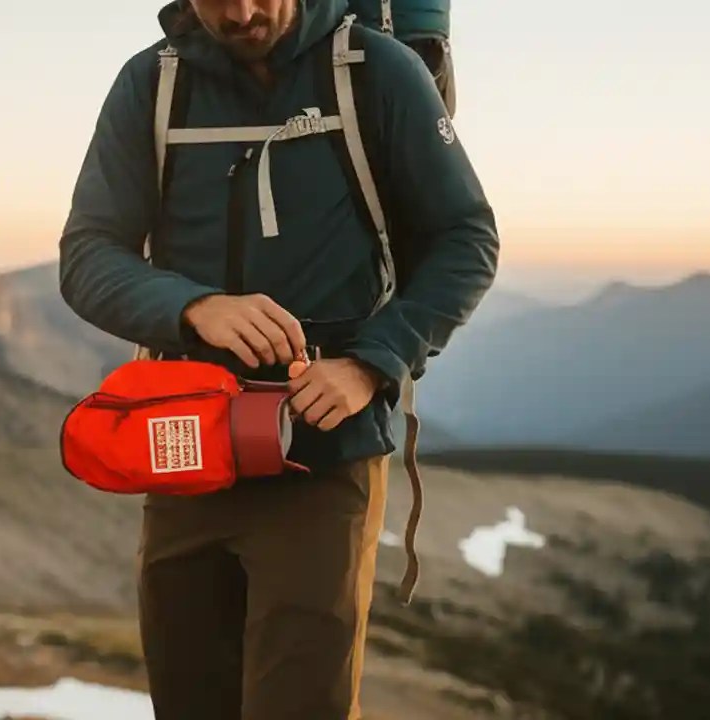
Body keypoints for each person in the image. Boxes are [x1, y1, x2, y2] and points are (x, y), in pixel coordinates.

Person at [58, 0, 498, 717]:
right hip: (187, 447)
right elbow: (87, 255)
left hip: (324, 448)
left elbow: (467, 240)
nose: (242, 12)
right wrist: (194, 307)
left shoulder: (374, 71)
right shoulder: (153, 83)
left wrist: (370, 364)